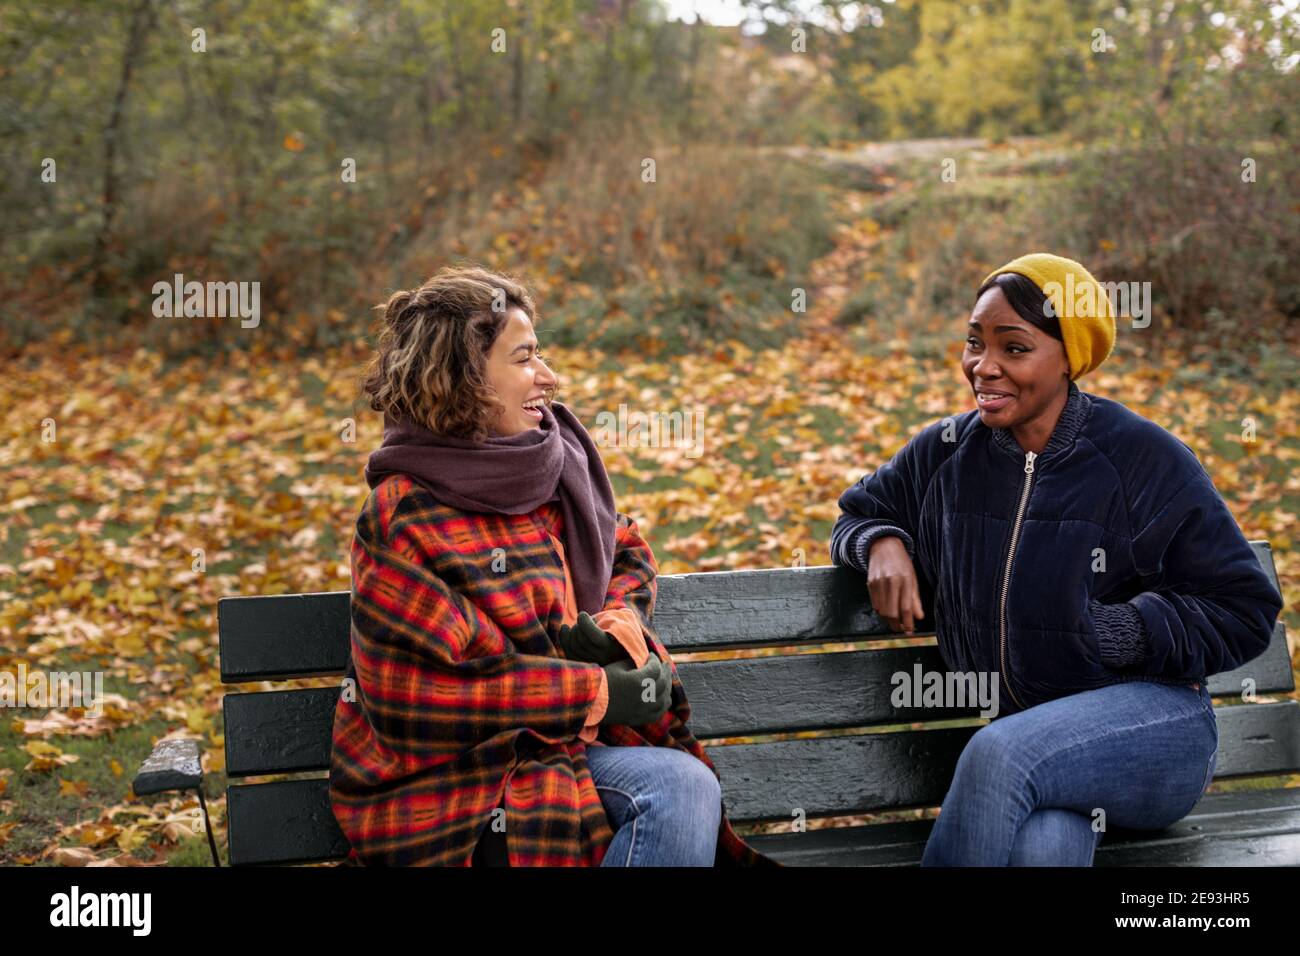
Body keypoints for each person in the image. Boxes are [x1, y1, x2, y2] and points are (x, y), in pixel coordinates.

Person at [829, 253, 1283, 866]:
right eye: (973, 343)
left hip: (1153, 730)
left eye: (1013, 349)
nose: (982, 367)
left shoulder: (1140, 458)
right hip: (1033, 751)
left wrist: (1117, 632)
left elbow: (1244, 608)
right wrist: (882, 542)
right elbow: (858, 512)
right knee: (1043, 845)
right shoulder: (947, 452)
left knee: (1000, 754)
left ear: (1070, 356)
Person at [328, 265, 774, 866]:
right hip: (454, 779)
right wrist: (592, 692)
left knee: (685, 786)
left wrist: (618, 621)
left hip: (562, 747)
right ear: (462, 378)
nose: (548, 376)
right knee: (675, 788)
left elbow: (626, 550)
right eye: (523, 358)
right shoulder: (403, 514)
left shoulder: (554, 464)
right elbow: (418, 699)